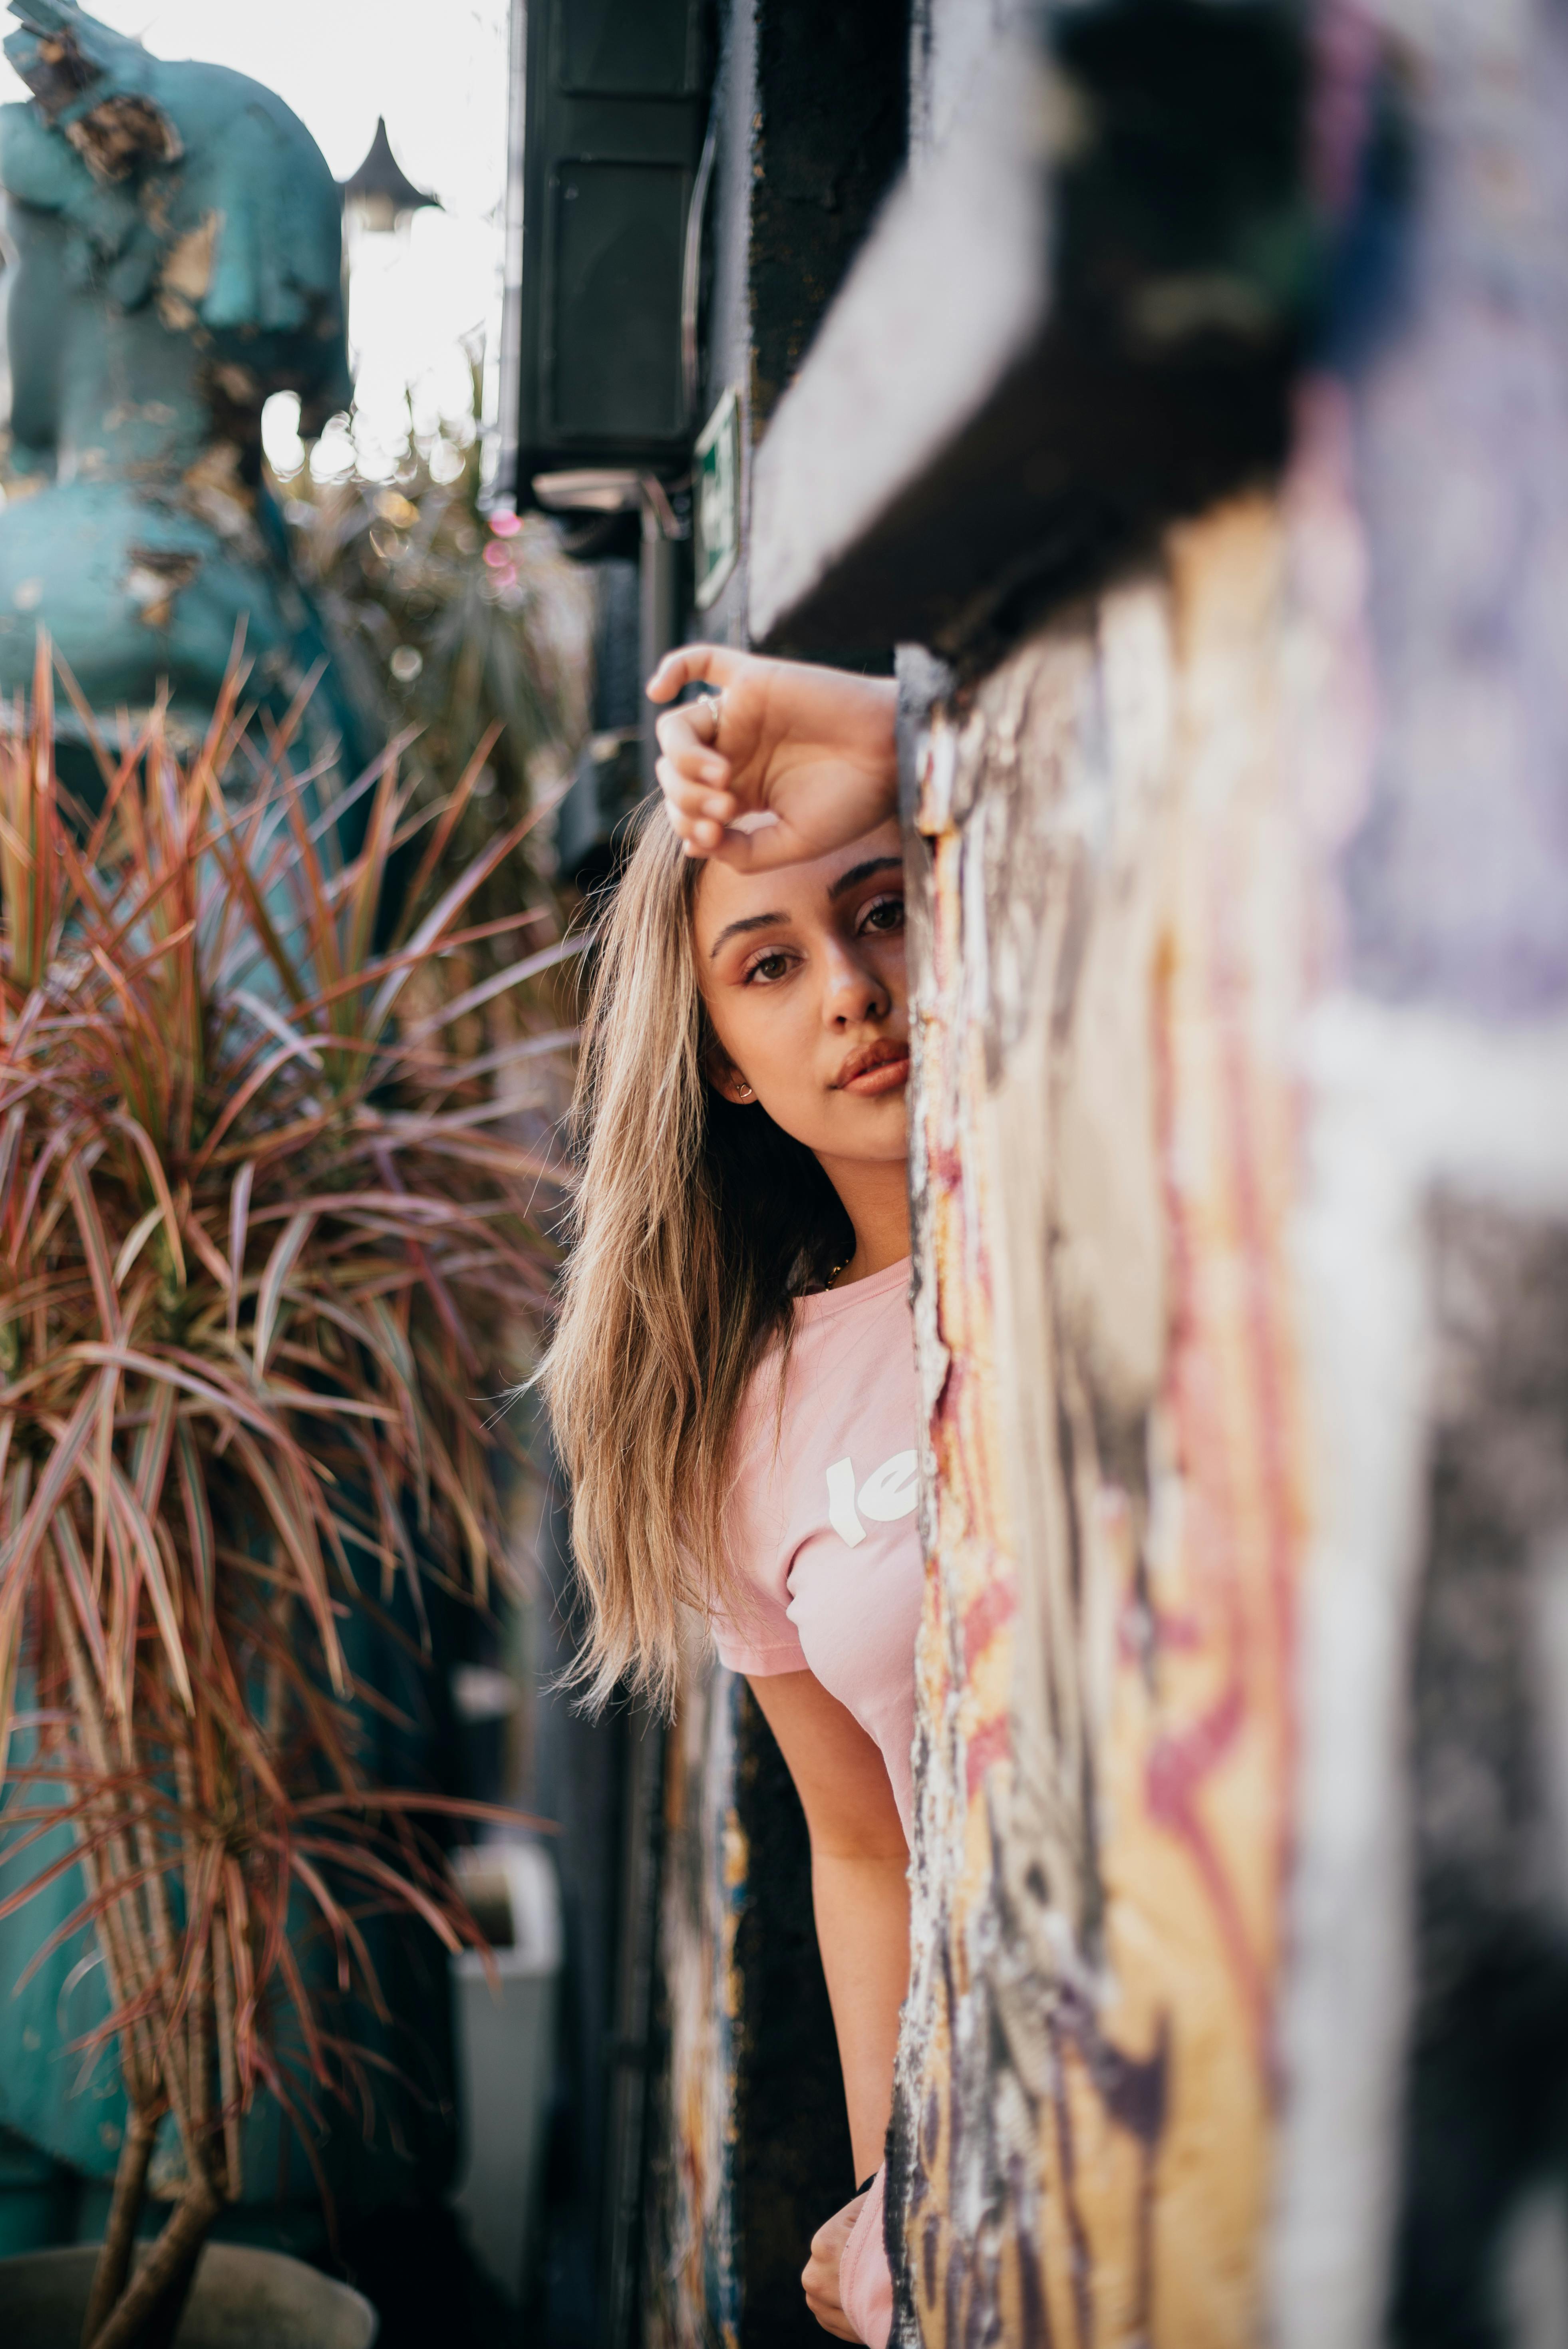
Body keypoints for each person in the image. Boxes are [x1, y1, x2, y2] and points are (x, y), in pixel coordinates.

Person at [541, 644, 913, 2344]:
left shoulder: (1153, 1182)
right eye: (772, 964)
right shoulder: (745, 1426)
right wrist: (900, 2188)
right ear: (727, 1070)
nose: (851, 987)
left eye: (888, 908)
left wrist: (893, 738)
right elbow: (860, 1846)